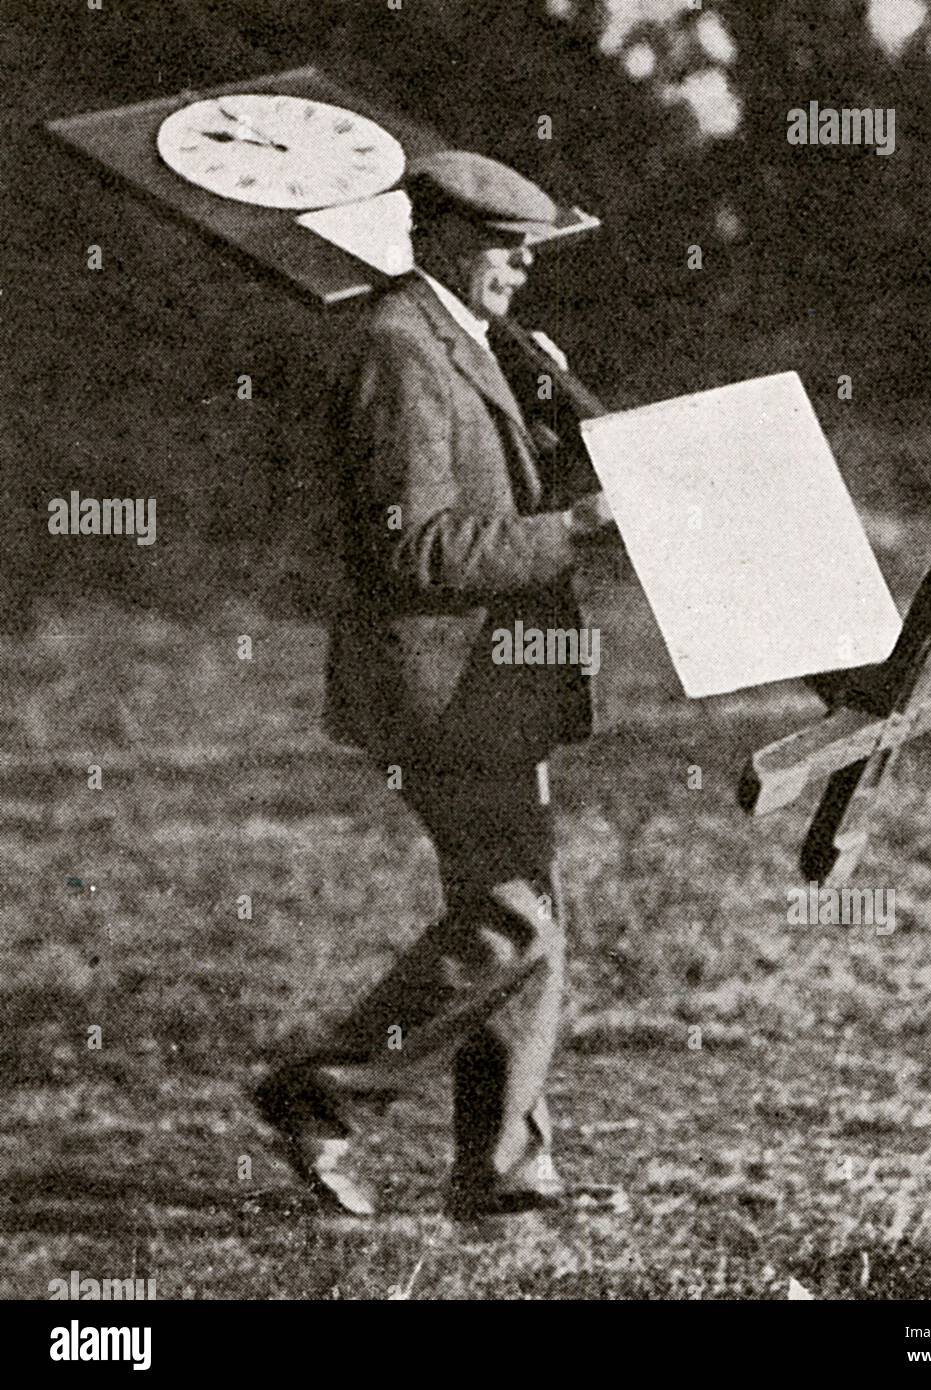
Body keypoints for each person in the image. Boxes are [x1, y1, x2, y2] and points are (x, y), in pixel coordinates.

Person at [255, 151, 617, 1220]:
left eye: (527, 249)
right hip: (436, 692)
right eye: (507, 247)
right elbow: (413, 550)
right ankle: (318, 1087)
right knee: (516, 924)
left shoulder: (472, 344)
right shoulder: (400, 351)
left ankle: (503, 1170)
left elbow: (495, 493)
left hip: (492, 685)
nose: (522, 268)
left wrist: (559, 431)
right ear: (447, 239)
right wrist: (578, 529)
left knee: (527, 911)